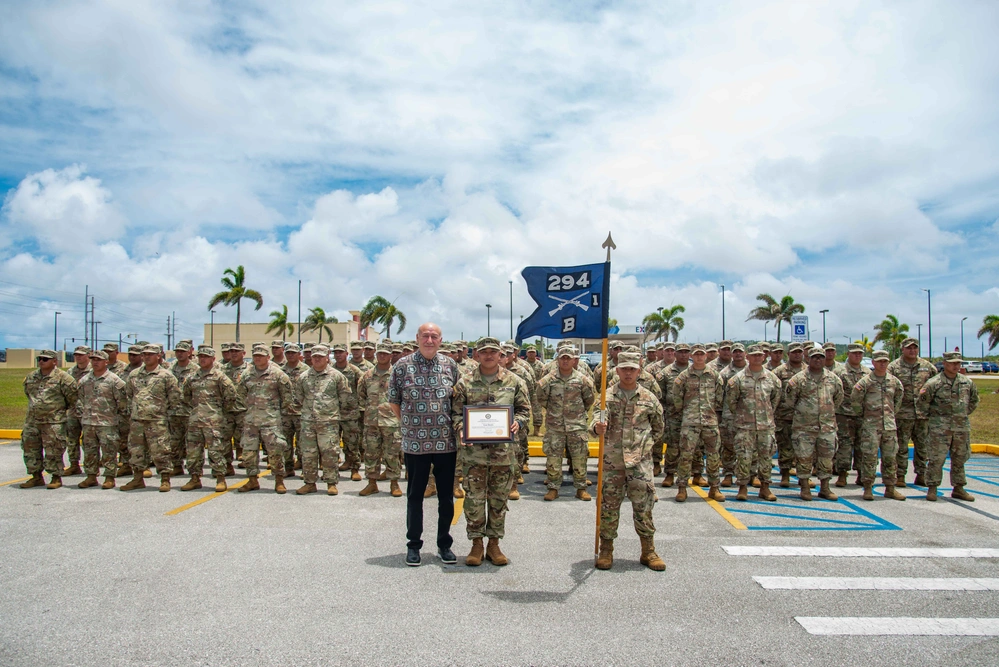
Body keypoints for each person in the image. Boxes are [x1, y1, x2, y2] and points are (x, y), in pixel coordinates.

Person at [452, 337, 531, 567]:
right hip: (474, 454)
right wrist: (460, 428)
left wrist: (518, 422)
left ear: (501, 356)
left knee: (498, 500)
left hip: (503, 453)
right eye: (484, 352)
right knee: (474, 500)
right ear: (476, 355)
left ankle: (494, 544)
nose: (488, 356)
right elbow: (456, 413)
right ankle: (476, 543)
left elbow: (525, 409)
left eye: (493, 352)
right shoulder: (464, 382)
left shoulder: (514, 381)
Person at [389, 322, 461, 567]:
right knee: (415, 496)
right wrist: (411, 424)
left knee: (446, 497)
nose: (429, 340)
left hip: (445, 443)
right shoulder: (401, 366)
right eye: (425, 336)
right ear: (417, 338)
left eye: (434, 336)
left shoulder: (451, 365)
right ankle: (413, 545)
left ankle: (444, 544)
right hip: (415, 444)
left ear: (441, 340)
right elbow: (394, 400)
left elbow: (459, 399)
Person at [591, 352, 665, 571]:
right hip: (612, 462)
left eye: (632, 368)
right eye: (624, 368)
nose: (628, 372)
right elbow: (596, 419)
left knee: (643, 507)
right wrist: (597, 427)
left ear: (639, 370)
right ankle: (606, 550)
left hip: (639, 463)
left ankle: (648, 550)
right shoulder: (606, 397)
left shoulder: (649, 398)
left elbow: (659, 427)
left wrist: (643, 446)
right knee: (608, 507)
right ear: (617, 370)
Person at [918, 351, 979, 502]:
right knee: (936, 458)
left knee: (960, 458)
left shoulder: (967, 382)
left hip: (961, 427)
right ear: (944, 364)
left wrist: (961, 414)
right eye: (952, 363)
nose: (955, 366)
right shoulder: (934, 383)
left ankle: (958, 488)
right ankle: (932, 488)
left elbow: (974, 401)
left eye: (958, 363)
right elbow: (922, 403)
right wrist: (935, 419)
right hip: (940, 428)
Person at [784, 347, 844, 501]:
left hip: (827, 426)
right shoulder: (798, 379)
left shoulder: (833, 379)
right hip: (804, 427)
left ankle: (825, 487)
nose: (818, 360)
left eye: (821, 357)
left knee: (826, 458)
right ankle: (804, 487)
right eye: (815, 357)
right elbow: (790, 401)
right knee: (804, 458)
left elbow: (838, 399)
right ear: (808, 359)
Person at [537, 347, 596, 501]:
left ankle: (581, 488)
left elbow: (589, 399)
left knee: (579, 458)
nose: (565, 360)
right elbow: (541, 398)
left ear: (573, 360)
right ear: (557, 359)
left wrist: (576, 414)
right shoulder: (547, 380)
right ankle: (553, 488)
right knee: (553, 458)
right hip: (554, 426)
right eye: (562, 358)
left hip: (576, 426)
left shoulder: (582, 380)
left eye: (568, 358)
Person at [295, 344, 352, 496]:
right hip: (308, 422)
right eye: (315, 357)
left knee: (330, 453)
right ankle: (309, 483)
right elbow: (299, 397)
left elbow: (345, 396)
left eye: (321, 356)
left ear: (327, 358)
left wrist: (331, 411)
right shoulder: (303, 377)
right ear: (311, 358)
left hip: (328, 422)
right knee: (308, 453)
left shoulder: (336, 376)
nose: (317, 359)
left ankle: (331, 482)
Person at [725, 344, 781, 501]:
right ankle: (742, 487)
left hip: (766, 426)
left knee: (766, 458)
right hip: (745, 426)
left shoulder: (772, 379)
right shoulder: (737, 379)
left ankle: (765, 487)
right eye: (753, 355)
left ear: (764, 357)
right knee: (743, 457)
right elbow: (732, 402)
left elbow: (775, 400)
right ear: (747, 357)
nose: (757, 357)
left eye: (759, 355)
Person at [122, 345, 181, 492]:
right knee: (136, 450)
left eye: (150, 354)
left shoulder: (166, 376)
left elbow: (174, 398)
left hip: (157, 420)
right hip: (137, 420)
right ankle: (137, 478)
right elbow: (129, 394)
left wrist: (162, 413)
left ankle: (165, 479)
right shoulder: (134, 374)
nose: (147, 357)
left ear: (158, 356)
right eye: (145, 354)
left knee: (161, 450)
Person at [237, 345, 294, 494]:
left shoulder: (278, 375)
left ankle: (279, 481)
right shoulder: (246, 374)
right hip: (251, 421)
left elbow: (287, 397)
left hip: (271, 421)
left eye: (261, 356)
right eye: (255, 355)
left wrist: (275, 412)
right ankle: (252, 480)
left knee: (275, 452)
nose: (257, 358)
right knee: (249, 452)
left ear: (268, 357)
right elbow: (240, 394)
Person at [180, 346, 238, 492]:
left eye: (206, 357)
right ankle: (194, 478)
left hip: (214, 421)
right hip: (195, 420)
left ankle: (220, 478)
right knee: (193, 451)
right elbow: (185, 396)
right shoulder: (192, 377)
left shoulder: (220, 377)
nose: (202, 359)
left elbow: (231, 396)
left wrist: (218, 411)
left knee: (216, 450)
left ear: (213, 359)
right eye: (200, 356)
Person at [672, 344, 725, 502]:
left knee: (713, 455)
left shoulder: (715, 375)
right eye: (696, 355)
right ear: (692, 356)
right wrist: (687, 411)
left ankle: (714, 488)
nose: (699, 357)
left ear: (706, 356)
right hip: (690, 421)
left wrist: (710, 411)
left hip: (710, 421)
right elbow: (677, 398)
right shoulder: (684, 376)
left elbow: (720, 397)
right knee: (686, 455)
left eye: (702, 354)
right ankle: (682, 488)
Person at [850, 350, 906, 501]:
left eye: (885, 361)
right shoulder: (865, 382)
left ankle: (890, 488)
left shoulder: (894, 382)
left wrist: (890, 415)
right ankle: (868, 488)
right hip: (871, 426)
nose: (882, 364)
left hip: (889, 426)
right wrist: (865, 416)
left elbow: (898, 400)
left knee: (890, 458)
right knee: (869, 458)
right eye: (879, 361)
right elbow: (855, 401)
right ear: (873, 363)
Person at [20, 350, 78, 489]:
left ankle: (56, 477)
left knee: (54, 450)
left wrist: (55, 410)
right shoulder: (31, 377)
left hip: (53, 422)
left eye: (45, 359)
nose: (41, 361)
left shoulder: (64, 378)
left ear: (54, 361)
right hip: (32, 421)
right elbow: (28, 394)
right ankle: (36, 477)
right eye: (40, 358)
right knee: (30, 449)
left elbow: (72, 398)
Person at [888, 338, 937, 486]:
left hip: (922, 415)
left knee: (922, 446)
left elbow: (935, 387)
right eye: (909, 348)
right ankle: (900, 475)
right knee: (901, 447)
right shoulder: (894, 367)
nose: (912, 350)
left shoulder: (927, 367)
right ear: (903, 349)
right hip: (902, 414)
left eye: (915, 348)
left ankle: (921, 474)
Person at [356, 342, 403, 497]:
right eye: (380, 353)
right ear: (376, 355)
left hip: (391, 422)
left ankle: (394, 483)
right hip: (372, 422)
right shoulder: (367, 375)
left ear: (391, 355)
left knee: (392, 453)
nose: (382, 356)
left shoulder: (398, 375)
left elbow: (405, 397)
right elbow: (361, 395)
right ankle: (372, 483)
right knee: (371, 453)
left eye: (385, 353)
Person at [76, 350, 128, 489]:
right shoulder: (85, 380)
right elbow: (81, 397)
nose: (95, 362)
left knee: (109, 451)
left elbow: (122, 403)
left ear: (106, 362)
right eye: (93, 359)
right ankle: (91, 476)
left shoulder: (114, 380)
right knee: (89, 451)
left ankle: (110, 477)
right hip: (89, 422)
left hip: (107, 423)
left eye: (98, 359)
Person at [833, 344, 870, 487]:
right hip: (844, 414)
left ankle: (861, 474)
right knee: (844, 445)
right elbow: (834, 392)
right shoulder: (839, 372)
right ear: (848, 354)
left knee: (862, 445)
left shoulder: (867, 373)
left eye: (860, 354)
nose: (857, 356)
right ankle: (842, 474)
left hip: (862, 414)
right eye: (854, 353)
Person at [63, 345, 91, 476]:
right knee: (72, 439)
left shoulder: (94, 370)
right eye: (76, 355)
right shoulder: (70, 372)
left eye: (81, 354)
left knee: (89, 440)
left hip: (90, 411)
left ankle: (91, 465)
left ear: (88, 355)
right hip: (74, 411)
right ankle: (74, 464)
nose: (78, 357)